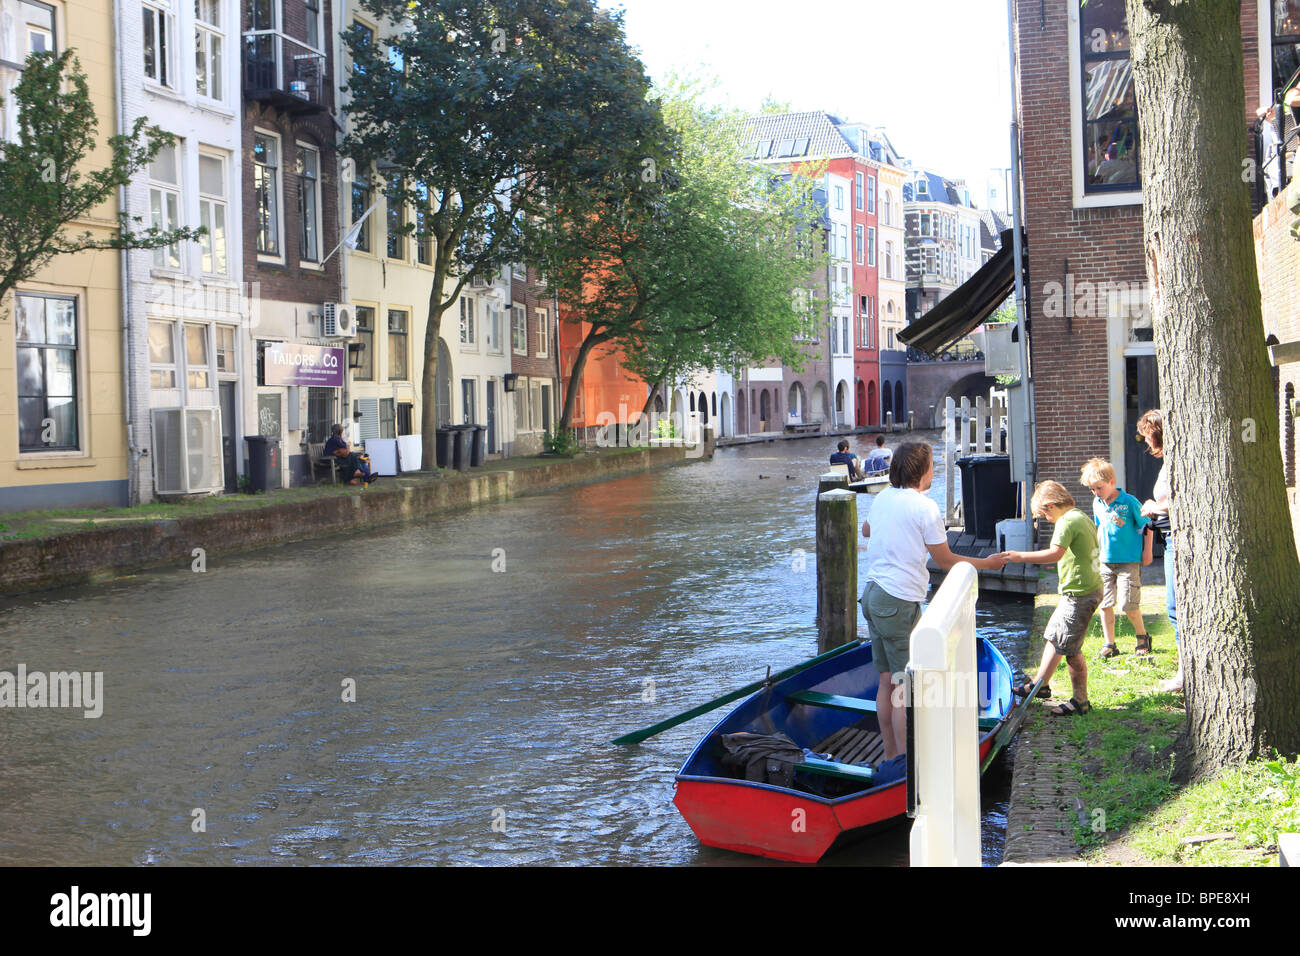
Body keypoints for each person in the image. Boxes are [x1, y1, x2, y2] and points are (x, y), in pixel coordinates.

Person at [860, 442, 1008, 759]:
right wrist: (988, 563)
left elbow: (866, 529)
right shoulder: (925, 507)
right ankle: (904, 764)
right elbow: (945, 560)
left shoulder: (885, 496)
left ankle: (889, 755)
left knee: (886, 680)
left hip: (872, 594)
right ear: (923, 471)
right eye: (931, 466)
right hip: (897, 600)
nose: (933, 471)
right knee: (903, 684)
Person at [999, 480, 1103, 717]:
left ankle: (1080, 701)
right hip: (1079, 592)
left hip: (1080, 595)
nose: (1046, 519)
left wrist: (1018, 556)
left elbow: (1055, 553)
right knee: (1054, 636)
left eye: (1043, 514)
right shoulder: (1079, 515)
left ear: (1051, 505)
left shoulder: (1066, 521)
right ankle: (1041, 685)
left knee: (1071, 650)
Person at [1080, 457, 1154, 659]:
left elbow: (1147, 525)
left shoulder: (1128, 502)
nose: (1096, 493)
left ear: (1112, 482)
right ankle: (1110, 643)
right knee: (1104, 603)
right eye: (1092, 489)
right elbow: (1100, 528)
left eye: (1099, 488)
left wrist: (1147, 552)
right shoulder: (1097, 503)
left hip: (1128, 561)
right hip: (1105, 561)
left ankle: (1142, 636)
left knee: (1128, 603)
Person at [1136, 409, 1180, 693]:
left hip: (1178, 541)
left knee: (1175, 609)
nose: (1145, 442)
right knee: (1175, 608)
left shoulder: (1176, 461)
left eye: (1147, 435)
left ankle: (1185, 673)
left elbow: (1185, 497)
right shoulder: (1168, 462)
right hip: (1170, 539)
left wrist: (1155, 506)